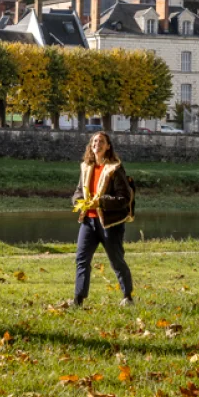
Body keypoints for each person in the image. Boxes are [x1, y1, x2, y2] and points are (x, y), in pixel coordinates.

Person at [69, 131, 135, 308]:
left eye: (101, 141)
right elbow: (78, 192)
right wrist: (78, 202)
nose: (97, 143)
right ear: (91, 145)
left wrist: (100, 202)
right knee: (81, 259)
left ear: (107, 146)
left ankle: (128, 297)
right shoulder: (86, 166)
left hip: (110, 224)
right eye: (94, 141)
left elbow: (124, 198)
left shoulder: (115, 168)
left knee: (116, 260)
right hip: (88, 221)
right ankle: (78, 299)